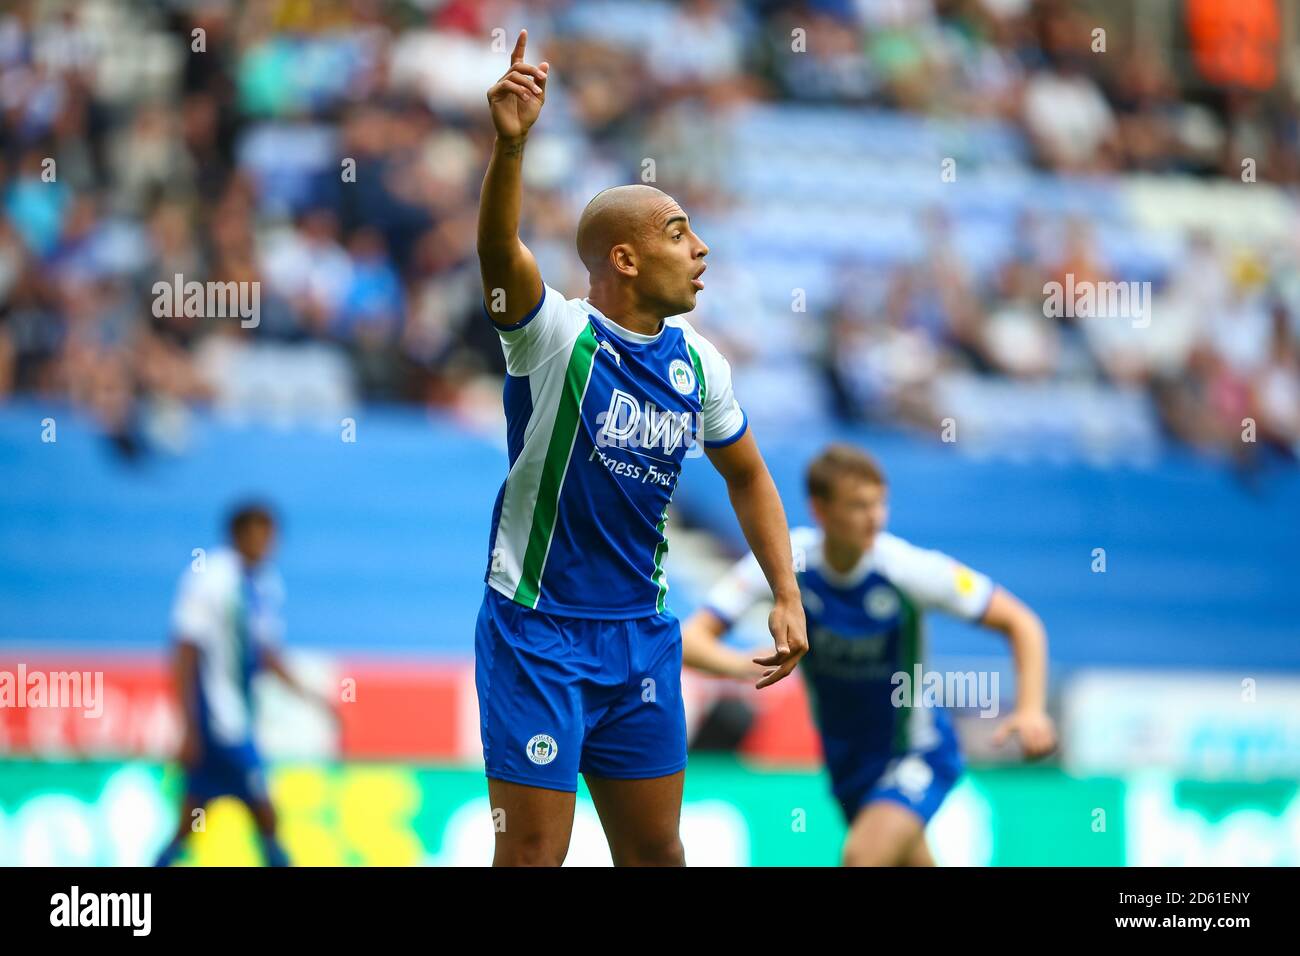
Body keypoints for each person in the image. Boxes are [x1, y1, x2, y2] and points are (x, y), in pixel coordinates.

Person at [474, 30, 807, 866]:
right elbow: (496, 254)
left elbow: (750, 476)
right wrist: (511, 149)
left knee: (657, 855)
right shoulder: (555, 335)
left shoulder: (701, 365)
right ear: (624, 257)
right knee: (530, 860)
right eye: (678, 232)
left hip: (642, 638)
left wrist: (786, 593)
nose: (701, 250)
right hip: (537, 632)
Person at [682, 444, 1056, 866]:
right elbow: (690, 642)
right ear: (820, 510)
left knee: (862, 857)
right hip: (847, 761)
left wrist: (1030, 710)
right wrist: (744, 664)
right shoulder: (787, 564)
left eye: (880, 504)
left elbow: (1021, 623)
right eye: (859, 506)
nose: (875, 517)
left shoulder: (906, 570)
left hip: (916, 751)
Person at [154, 502, 336, 867]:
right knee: (265, 812)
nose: (265, 542)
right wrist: (188, 727)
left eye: (270, 534)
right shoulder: (210, 577)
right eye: (257, 532)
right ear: (237, 534)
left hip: (236, 719)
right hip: (218, 724)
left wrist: (314, 699)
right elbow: (185, 651)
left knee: (191, 818)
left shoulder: (264, 584)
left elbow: (265, 654)